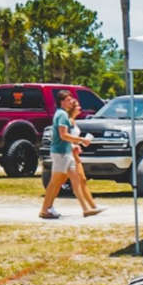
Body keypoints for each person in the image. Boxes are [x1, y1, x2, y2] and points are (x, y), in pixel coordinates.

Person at [39, 91, 101, 219]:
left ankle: (86, 209)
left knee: (77, 180)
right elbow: (63, 135)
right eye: (68, 100)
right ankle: (45, 209)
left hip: (66, 152)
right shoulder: (62, 115)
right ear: (62, 102)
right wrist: (81, 140)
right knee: (54, 183)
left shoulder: (62, 115)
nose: (70, 102)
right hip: (60, 152)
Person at [67, 97, 104, 215]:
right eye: (78, 106)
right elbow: (64, 138)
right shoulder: (67, 121)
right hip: (68, 155)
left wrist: (80, 143)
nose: (80, 108)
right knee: (60, 183)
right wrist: (73, 146)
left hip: (74, 154)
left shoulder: (73, 121)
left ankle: (92, 206)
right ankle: (87, 208)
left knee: (81, 180)